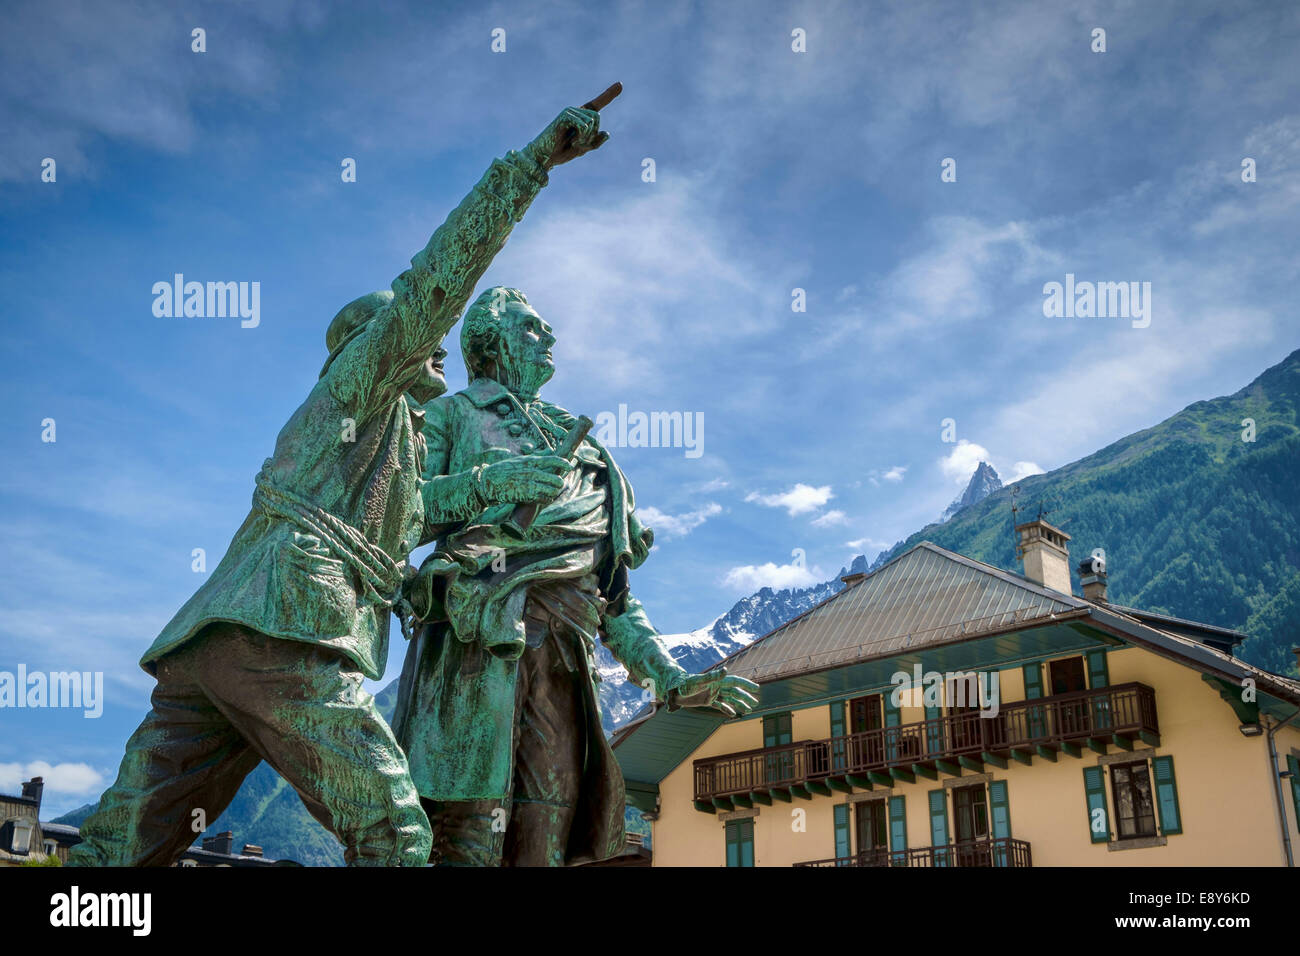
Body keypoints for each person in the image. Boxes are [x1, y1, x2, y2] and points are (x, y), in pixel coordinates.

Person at [69, 103, 611, 867]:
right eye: (418, 339)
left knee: (120, 846)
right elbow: (434, 278)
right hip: (288, 637)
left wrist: (512, 477)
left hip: (210, 648)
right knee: (395, 833)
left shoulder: (370, 442)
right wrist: (529, 169)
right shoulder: (362, 390)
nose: (439, 351)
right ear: (373, 345)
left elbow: (429, 507)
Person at [393, 286, 759, 866]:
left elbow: (614, 599)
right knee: (467, 834)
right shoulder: (452, 416)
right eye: (533, 328)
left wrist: (668, 678)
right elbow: (400, 514)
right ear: (491, 344)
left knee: (547, 835)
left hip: (567, 660)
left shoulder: (591, 453)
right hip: (476, 649)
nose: (551, 339)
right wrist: (492, 485)